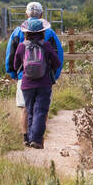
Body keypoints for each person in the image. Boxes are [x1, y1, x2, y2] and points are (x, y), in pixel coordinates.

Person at [4, 1, 64, 131]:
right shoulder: (49, 32)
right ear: (41, 14)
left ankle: (26, 137)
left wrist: (13, 74)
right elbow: (58, 55)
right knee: (42, 108)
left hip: (23, 77)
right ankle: (38, 137)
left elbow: (11, 54)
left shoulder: (18, 31)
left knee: (25, 108)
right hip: (45, 77)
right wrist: (55, 75)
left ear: (26, 14)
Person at [14, 19, 58, 149]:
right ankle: (36, 139)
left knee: (29, 109)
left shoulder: (22, 46)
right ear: (42, 32)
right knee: (41, 111)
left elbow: (16, 65)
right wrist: (49, 67)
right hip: (44, 83)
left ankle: (29, 138)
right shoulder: (46, 45)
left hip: (27, 84)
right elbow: (57, 62)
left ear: (26, 32)